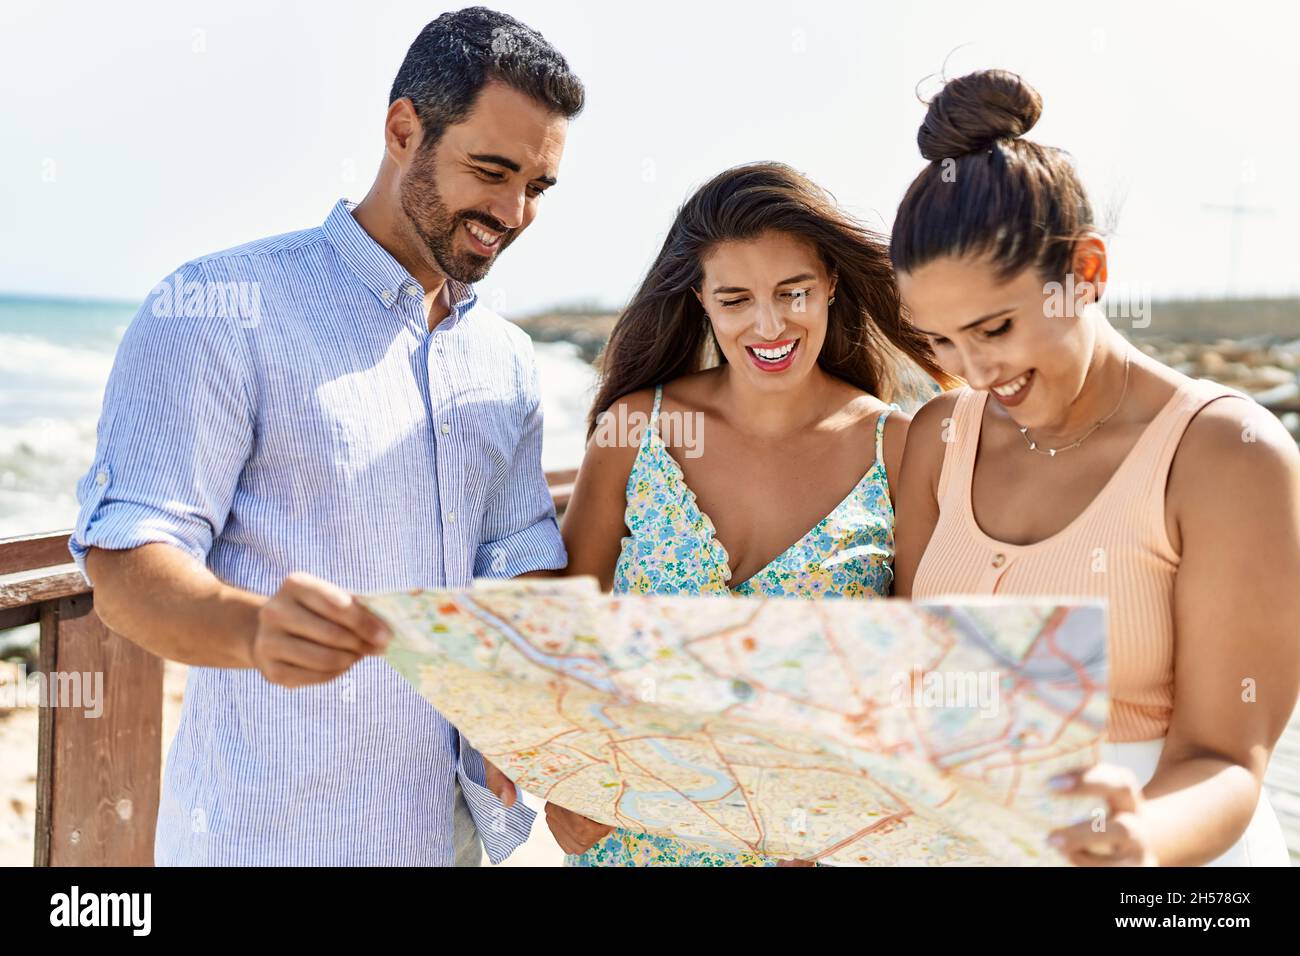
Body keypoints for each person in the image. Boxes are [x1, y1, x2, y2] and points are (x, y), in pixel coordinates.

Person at [68, 7, 584, 865]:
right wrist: (252, 629)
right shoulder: (218, 309)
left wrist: (537, 720)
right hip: (269, 844)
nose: (513, 211)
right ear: (403, 130)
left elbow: (517, 558)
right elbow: (126, 565)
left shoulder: (508, 359)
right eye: (491, 171)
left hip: (453, 843)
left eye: (538, 186)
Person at [891, 69, 1299, 865]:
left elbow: (1226, 759)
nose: (973, 372)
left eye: (995, 328)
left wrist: (1138, 837)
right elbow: (915, 694)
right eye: (939, 341)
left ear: (1088, 271)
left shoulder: (1227, 456)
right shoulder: (939, 439)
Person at [545, 162, 955, 865]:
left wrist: (858, 820)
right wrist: (566, 777)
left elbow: (913, 670)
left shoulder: (897, 447)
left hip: (809, 843)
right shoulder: (637, 425)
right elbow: (562, 629)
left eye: (793, 292)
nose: (769, 324)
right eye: (735, 299)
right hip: (631, 835)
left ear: (831, 282)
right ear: (700, 300)